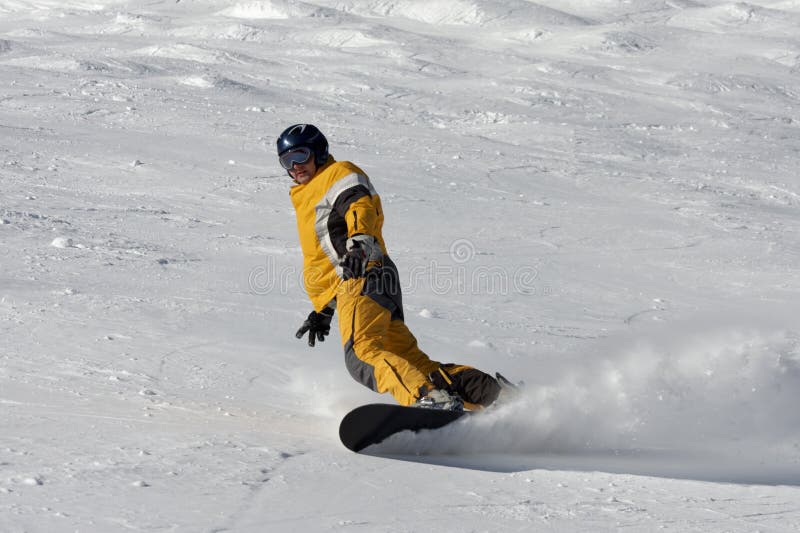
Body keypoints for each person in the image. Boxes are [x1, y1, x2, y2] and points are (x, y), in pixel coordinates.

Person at [277, 123, 502, 411]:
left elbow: (359, 205)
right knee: (408, 359)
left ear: (318, 153)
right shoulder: (306, 196)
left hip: (362, 273)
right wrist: (325, 309)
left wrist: (359, 241)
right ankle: (493, 394)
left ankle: (429, 398)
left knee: (362, 354)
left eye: (300, 156)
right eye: (286, 161)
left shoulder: (337, 174)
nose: (295, 166)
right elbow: (327, 258)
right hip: (370, 278)